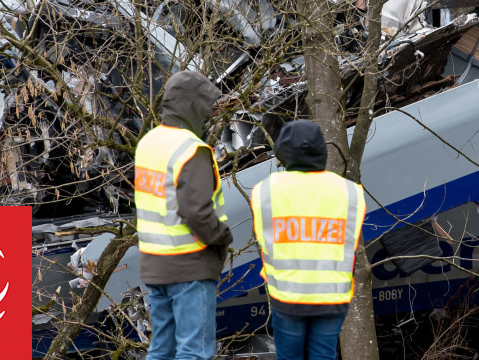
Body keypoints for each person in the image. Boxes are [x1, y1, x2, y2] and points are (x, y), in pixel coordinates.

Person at [134, 70, 233, 360]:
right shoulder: (192, 150)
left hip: (154, 263)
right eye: (205, 107)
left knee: (162, 348)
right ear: (192, 106)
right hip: (189, 265)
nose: (208, 115)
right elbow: (197, 212)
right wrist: (221, 238)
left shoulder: (148, 143)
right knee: (194, 351)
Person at [250, 120, 367, 360]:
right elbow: (350, 241)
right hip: (331, 295)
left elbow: (264, 239)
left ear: (283, 152)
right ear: (321, 151)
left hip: (287, 294)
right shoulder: (351, 192)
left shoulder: (264, 191)